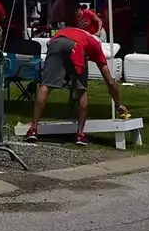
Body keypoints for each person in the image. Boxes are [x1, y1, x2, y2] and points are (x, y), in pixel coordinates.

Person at [26, 11, 124, 145]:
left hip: (56, 43)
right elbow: (110, 81)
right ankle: (80, 134)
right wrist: (118, 104)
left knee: (46, 85)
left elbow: (50, 43)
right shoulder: (95, 46)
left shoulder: (69, 30)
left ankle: (33, 129)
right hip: (76, 47)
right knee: (81, 89)